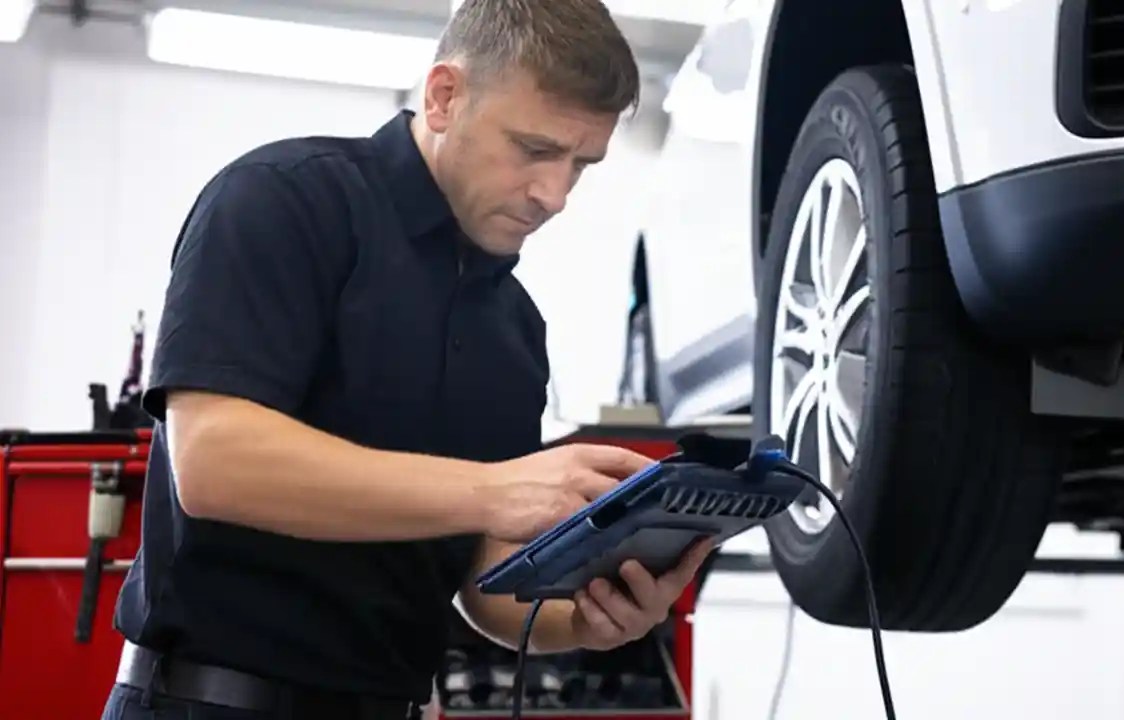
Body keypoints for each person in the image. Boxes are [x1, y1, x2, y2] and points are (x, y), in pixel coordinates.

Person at [100, 1, 714, 718]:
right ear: (445, 96)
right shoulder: (282, 200)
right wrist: (495, 489)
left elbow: (484, 587)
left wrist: (589, 621)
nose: (555, 195)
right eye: (535, 149)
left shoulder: (514, 330)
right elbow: (214, 465)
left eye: (581, 164)